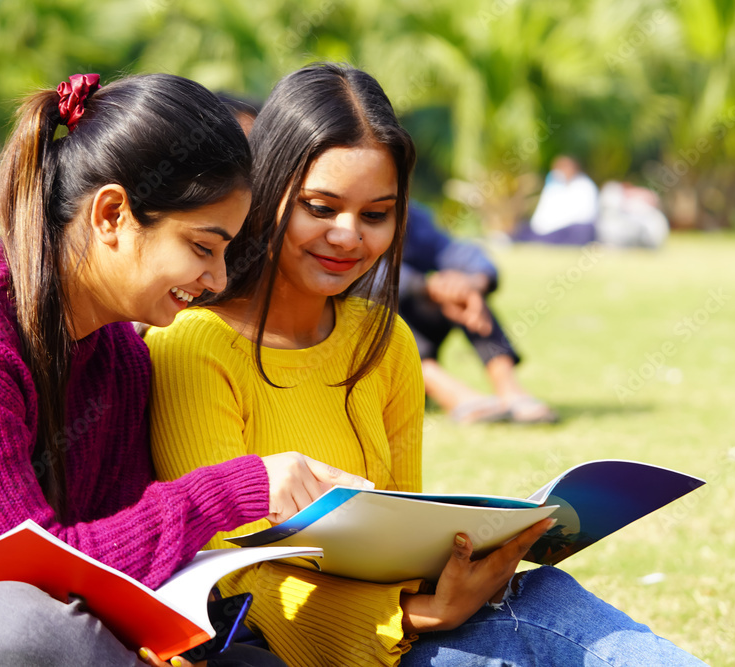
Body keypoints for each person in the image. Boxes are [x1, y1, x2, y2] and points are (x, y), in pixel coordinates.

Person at [147, 63, 706, 667]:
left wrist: (467, 564)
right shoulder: (194, 344)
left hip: (410, 627)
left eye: (375, 214)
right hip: (297, 646)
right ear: (266, 192)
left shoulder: (386, 342)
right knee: (534, 627)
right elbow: (225, 572)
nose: (347, 236)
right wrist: (414, 615)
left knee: (545, 593)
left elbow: (398, 536)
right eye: (320, 207)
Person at [0, 72, 371, 667]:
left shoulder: (122, 358)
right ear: (111, 214)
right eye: (202, 247)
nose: (217, 279)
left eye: (225, 252)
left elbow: (112, 564)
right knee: (31, 628)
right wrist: (233, 489)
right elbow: (18, 575)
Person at [400, 202, 558, 423]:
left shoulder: (409, 214)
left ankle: (508, 387)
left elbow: (454, 250)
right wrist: (427, 285)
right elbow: (367, 275)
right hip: (376, 347)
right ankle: (443, 388)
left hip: (418, 308)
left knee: (464, 297)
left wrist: (473, 282)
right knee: (373, 307)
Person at [514, 155, 601, 245]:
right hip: (552, 229)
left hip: (572, 229)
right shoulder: (556, 186)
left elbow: (584, 215)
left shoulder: (584, 186)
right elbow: (542, 215)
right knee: (523, 229)